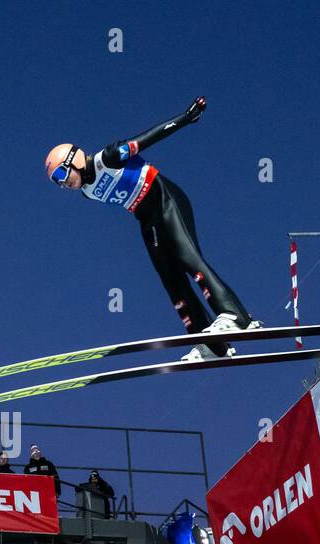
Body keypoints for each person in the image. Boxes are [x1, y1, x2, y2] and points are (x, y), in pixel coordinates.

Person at [44, 97, 259, 362]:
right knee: (171, 281)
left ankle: (237, 317)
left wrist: (185, 118)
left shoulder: (108, 158)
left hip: (165, 200)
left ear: (74, 160)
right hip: (146, 219)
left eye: (60, 176)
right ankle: (212, 345)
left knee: (188, 259)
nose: (62, 184)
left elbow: (148, 138)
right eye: (57, 182)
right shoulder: (86, 192)